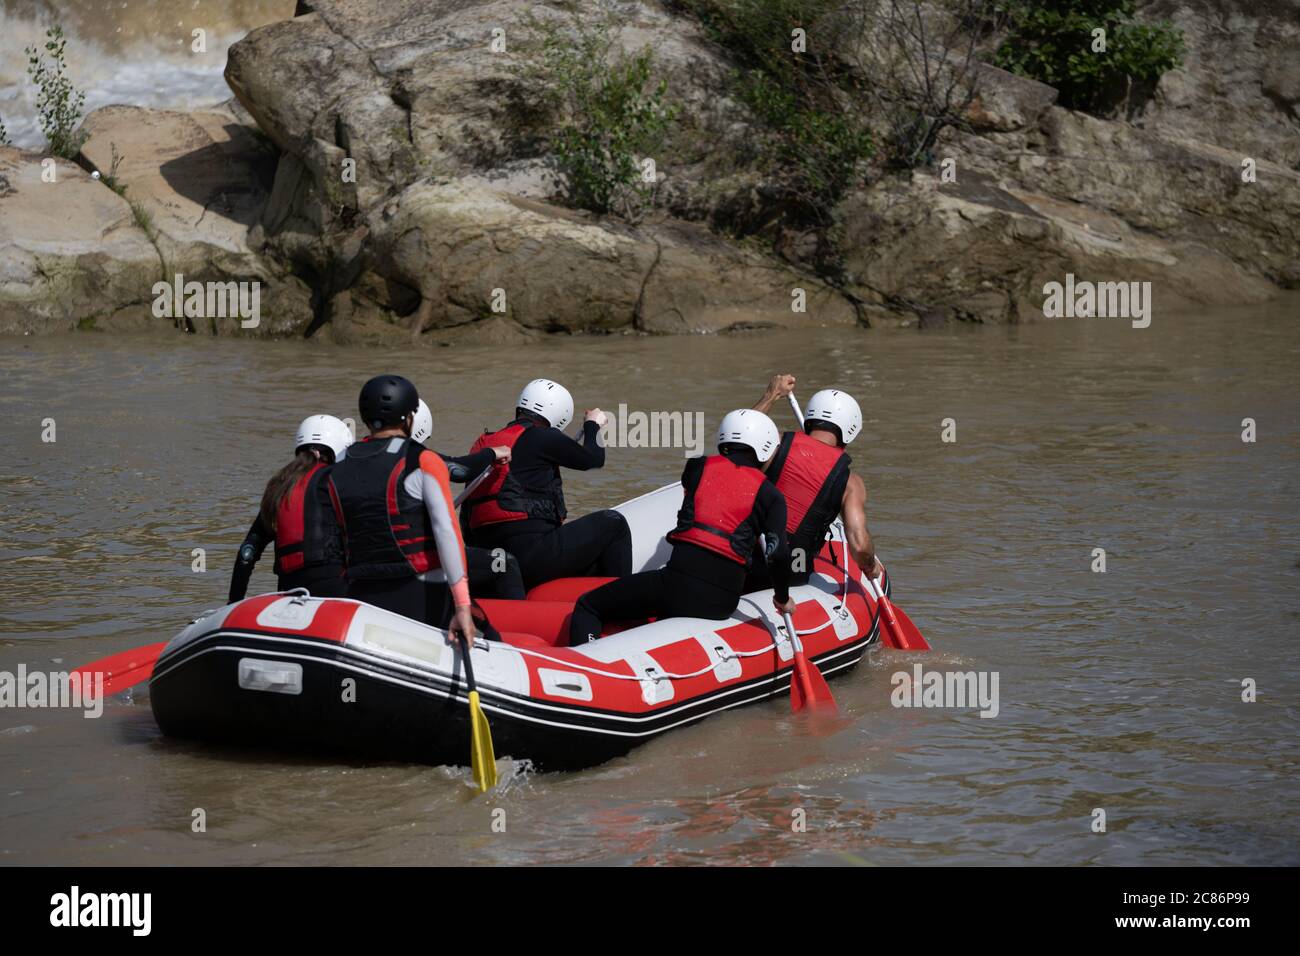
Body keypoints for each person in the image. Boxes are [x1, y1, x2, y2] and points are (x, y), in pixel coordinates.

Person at [569, 410, 793, 645]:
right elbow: (777, 555)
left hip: (676, 587)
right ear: (766, 447)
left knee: (588, 605)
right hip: (723, 602)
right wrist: (782, 598)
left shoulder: (697, 467)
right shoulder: (772, 496)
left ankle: (585, 655)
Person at [326, 375, 475, 642]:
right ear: (409, 418)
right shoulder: (423, 460)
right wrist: (462, 605)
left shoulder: (337, 464)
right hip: (420, 592)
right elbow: (446, 531)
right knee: (492, 636)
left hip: (359, 594)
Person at [462, 378, 632, 589]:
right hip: (530, 558)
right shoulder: (542, 436)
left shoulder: (483, 445)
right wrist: (592, 425)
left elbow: (467, 521)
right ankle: (624, 600)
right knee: (614, 524)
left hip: (493, 562)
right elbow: (593, 459)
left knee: (596, 560)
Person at [750, 374, 880, 587]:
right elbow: (860, 546)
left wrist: (771, 394)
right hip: (790, 572)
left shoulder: (776, 444)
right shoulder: (850, 483)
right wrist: (870, 565)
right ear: (850, 431)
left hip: (741, 556)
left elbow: (740, 435)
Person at [228, 415, 352, 603]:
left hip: (289, 590)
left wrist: (233, 603)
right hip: (336, 590)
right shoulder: (338, 480)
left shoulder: (281, 485)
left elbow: (247, 554)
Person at [411, 398, 525, 599]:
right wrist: (492, 453)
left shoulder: (352, 456)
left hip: (368, 559)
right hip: (412, 560)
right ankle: (515, 626)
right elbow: (460, 470)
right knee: (504, 564)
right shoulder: (412, 456)